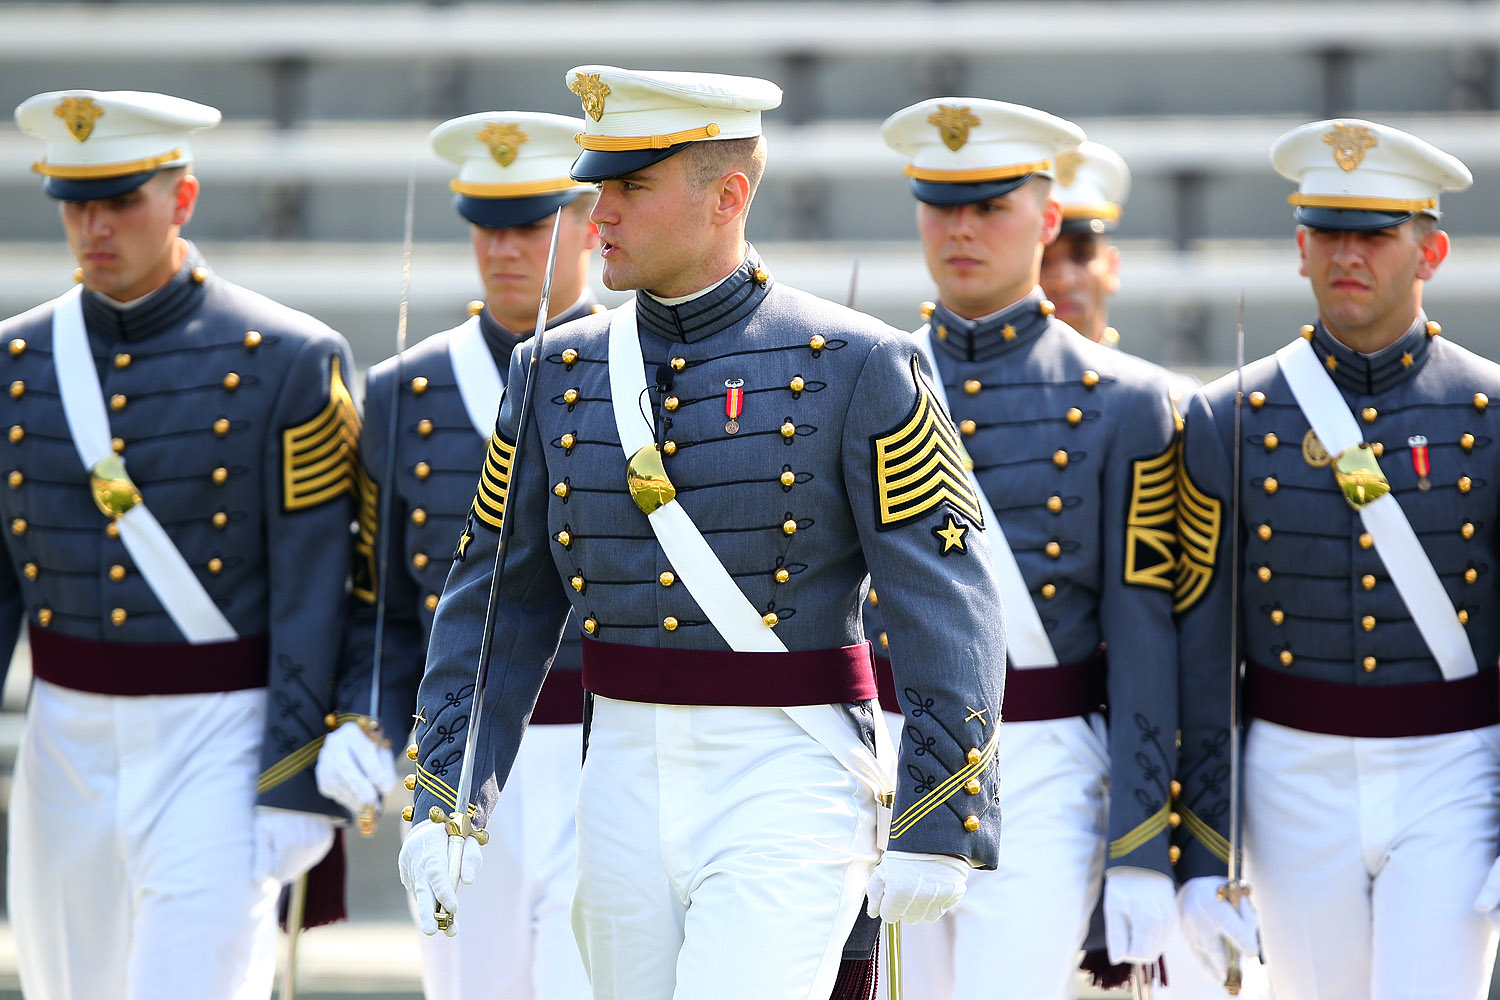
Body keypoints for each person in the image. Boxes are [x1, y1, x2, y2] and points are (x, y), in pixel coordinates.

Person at [397, 66, 1007, 1000]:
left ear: (729, 195)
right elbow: (495, 602)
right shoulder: (552, 368)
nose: (597, 213)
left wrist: (940, 812)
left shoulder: (858, 362)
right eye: (599, 185)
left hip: (788, 771)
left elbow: (945, 599)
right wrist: (447, 789)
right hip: (619, 773)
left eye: (631, 187)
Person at [3, 90, 357, 1000]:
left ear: (182, 199)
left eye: (121, 200)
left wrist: (295, 776)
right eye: (77, 203)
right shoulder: (13, 365)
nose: (95, 226)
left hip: (219, 733)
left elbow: (316, 591)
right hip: (63, 741)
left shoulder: (287, 358)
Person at [1175, 119, 1500, 999]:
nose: (1347, 254)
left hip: (1453, 766)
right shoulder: (1228, 414)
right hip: (1291, 770)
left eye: (1376, 235)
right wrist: (1200, 850)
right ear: (1299, 246)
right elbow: (1199, 649)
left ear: (1430, 252)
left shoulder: (1491, 408)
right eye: (1328, 233)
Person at [877, 99, 1180, 999]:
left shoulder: (1128, 402)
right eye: (941, 204)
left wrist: (1142, 847)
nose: (961, 228)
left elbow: (1147, 641)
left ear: (1047, 221)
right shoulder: (860, 370)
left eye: (991, 205)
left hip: (1047, 759)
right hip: (892, 753)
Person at [316, 109, 600, 1000]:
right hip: (461, 749)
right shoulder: (406, 391)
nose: (504, 248)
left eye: (530, 224)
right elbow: (383, 599)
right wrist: (364, 716)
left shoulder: (638, 366)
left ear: (588, 223)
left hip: (610, 744)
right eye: (486, 225)